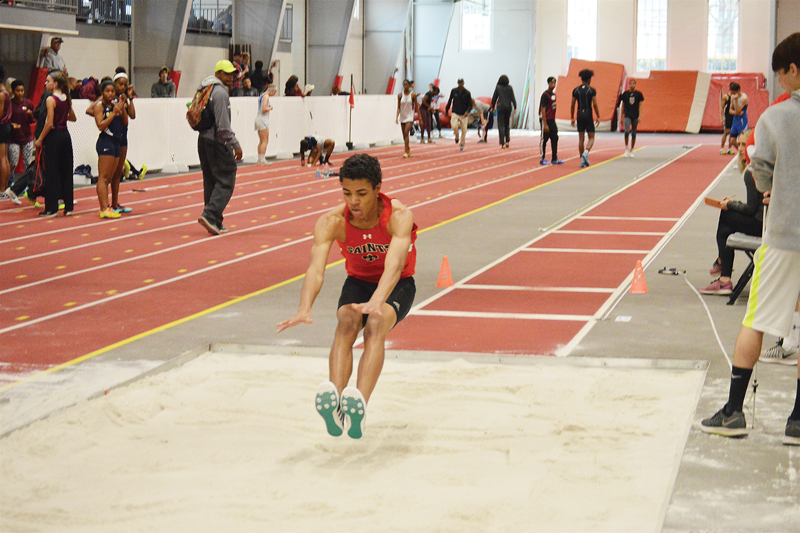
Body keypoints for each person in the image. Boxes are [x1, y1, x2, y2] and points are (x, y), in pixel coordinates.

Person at [700, 32, 800, 446]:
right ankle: (797, 420)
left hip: (784, 236)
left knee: (755, 320)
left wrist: (770, 187)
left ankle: (734, 411)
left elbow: (759, 172)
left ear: (793, 70)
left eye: (780, 74)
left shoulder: (777, 117)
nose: (779, 82)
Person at [276, 153, 418, 439]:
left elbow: (395, 264)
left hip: (397, 283)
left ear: (378, 189)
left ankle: (359, 407)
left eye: (362, 194)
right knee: (346, 322)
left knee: (375, 327)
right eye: (347, 193)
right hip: (358, 281)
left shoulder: (399, 216)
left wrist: (378, 300)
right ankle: (337, 404)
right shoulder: (331, 221)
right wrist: (305, 307)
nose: (353, 201)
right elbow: (315, 269)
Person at [700, 129, 763, 295]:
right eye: (739, 144)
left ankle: (723, 274)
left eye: (745, 144)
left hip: (762, 226)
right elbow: (756, 205)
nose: (740, 148)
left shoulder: (751, 172)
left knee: (726, 216)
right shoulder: (761, 167)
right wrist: (733, 204)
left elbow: (751, 209)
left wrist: (731, 205)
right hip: (766, 222)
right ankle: (722, 269)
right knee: (727, 216)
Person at [196, 60, 243, 235]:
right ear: (218, 74)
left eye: (232, 74)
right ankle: (210, 214)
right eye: (227, 73)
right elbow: (223, 126)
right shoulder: (220, 93)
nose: (231, 77)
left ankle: (215, 221)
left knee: (210, 180)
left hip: (203, 141)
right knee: (226, 179)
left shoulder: (204, 89)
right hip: (217, 142)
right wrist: (235, 144)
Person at [34, 71, 76, 217]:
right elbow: (73, 117)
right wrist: (62, 115)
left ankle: (51, 208)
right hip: (65, 135)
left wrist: (39, 139)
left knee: (52, 172)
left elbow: (49, 123)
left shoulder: (51, 100)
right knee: (66, 171)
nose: (45, 83)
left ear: (55, 84)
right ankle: (69, 206)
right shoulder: (66, 98)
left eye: (48, 81)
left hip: (54, 137)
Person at [92, 79, 127, 218]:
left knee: (111, 177)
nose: (111, 94)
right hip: (105, 142)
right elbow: (100, 125)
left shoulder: (115, 104)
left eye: (112, 91)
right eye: (107, 91)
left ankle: (108, 207)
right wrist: (113, 113)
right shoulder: (99, 106)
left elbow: (125, 122)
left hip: (116, 142)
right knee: (103, 176)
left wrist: (121, 108)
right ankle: (103, 208)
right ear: (102, 93)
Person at [4, 80, 36, 204]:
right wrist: (12, 125)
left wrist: (29, 115)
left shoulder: (28, 103)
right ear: (13, 91)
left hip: (27, 137)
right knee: (13, 162)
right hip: (14, 138)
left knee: (29, 164)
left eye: (22, 90)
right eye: (18, 91)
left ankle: (29, 186)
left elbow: (33, 119)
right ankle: (10, 183)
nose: (20, 93)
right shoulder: (10, 105)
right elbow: (6, 120)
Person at [571, 68, 600, 168]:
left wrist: (572, 117)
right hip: (588, 114)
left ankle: (582, 160)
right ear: (589, 80)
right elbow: (595, 104)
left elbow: (572, 104)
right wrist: (598, 116)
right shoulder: (591, 90)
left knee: (581, 138)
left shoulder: (576, 90)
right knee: (591, 137)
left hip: (579, 114)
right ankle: (586, 152)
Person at [617, 78, 644, 158]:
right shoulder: (625, 94)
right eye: (630, 84)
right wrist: (621, 117)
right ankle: (626, 149)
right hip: (627, 115)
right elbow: (623, 106)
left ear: (635, 85)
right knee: (626, 131)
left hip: (635, 115)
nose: (632, 85)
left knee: (633, 133)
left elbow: (640, 106)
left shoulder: (638, 94)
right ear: (628, 85)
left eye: (633, 84)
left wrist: (640, 116)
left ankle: (632, 149)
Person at [539, 76, 562, 165]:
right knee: (544, 140)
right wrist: (544, 124)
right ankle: (542, 158)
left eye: (554, 83)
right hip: (546, 120)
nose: (553, 85)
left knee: (555, 138)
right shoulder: (545, 95)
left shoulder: (554, 95)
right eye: (552, 83)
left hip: (552, 120)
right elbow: (543, 110)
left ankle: (554, 158)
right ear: (548, 84)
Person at [446, 78, 473, 152]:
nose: (460, 85)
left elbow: (470, 104)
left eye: (461, 83)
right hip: (455, 112)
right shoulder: (454, 91)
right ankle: (456, 134)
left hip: (464, 114)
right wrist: (446, 109)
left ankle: (462, 144)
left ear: (463, 83)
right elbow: (449, 100)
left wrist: (467, 111)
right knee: (454, 125)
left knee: (464, 130)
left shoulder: (467, 93)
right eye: (459, 83)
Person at [491, 75, 517, 149]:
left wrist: (492, 107)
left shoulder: (498, 87)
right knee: (507, 124)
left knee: (501, 125)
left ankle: (502, 142)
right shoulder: (509, 88)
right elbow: (513, 97)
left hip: (501, 107)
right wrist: (515, 107)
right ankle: (507, 141)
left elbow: (494, 97)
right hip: (508, 107)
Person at [255, 84, 276, 165]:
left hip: (260, 119)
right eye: (274, 92)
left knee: (261, 140)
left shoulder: (262, 95)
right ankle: (262, 159)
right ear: (271, 90)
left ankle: (260, 159)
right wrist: (270, 108)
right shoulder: (266, 96)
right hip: (263, 120)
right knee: (265, 140)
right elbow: (264, 109)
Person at [396, 79, 417, 158]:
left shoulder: (413, 95)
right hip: (402, 116)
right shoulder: (400, 95)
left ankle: (406, 150)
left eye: (406, 85)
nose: (405, 86)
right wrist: (396, 117)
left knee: (406, 132)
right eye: (404, 85)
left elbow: (416, 107)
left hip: (410, 116)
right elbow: (398, 107)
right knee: (404, 135)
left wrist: (420, 118)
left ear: (409, 85)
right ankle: (408, 148)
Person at [0, 65, 11, 199]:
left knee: (2, 158)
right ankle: (5, 187)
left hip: (2, 126)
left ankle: (2, 189)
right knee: (5, 158)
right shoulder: (6, 92)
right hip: (6, 126)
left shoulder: (2, 94)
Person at [728, 82, 749, 152]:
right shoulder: (732, 97)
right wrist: (737, 113)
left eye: (734, 93)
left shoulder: (744, 98)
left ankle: (744, 153)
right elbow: (730, 111)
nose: (733, 95)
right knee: (732, 140)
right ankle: (741, 152)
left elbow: (737, 110)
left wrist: (736, 101)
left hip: (742, 121)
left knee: (742, 139)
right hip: (735, 120)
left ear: (738, 90)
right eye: (732, 93)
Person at [720, 88, 736, 155]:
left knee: (732, 133)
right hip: (728, 116)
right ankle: (722, 149)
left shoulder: (736, 97)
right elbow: (722, 108)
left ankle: (729, 149)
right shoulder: (726, 97)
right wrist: (722, 117)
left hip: (734, 116)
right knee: (726, 132)